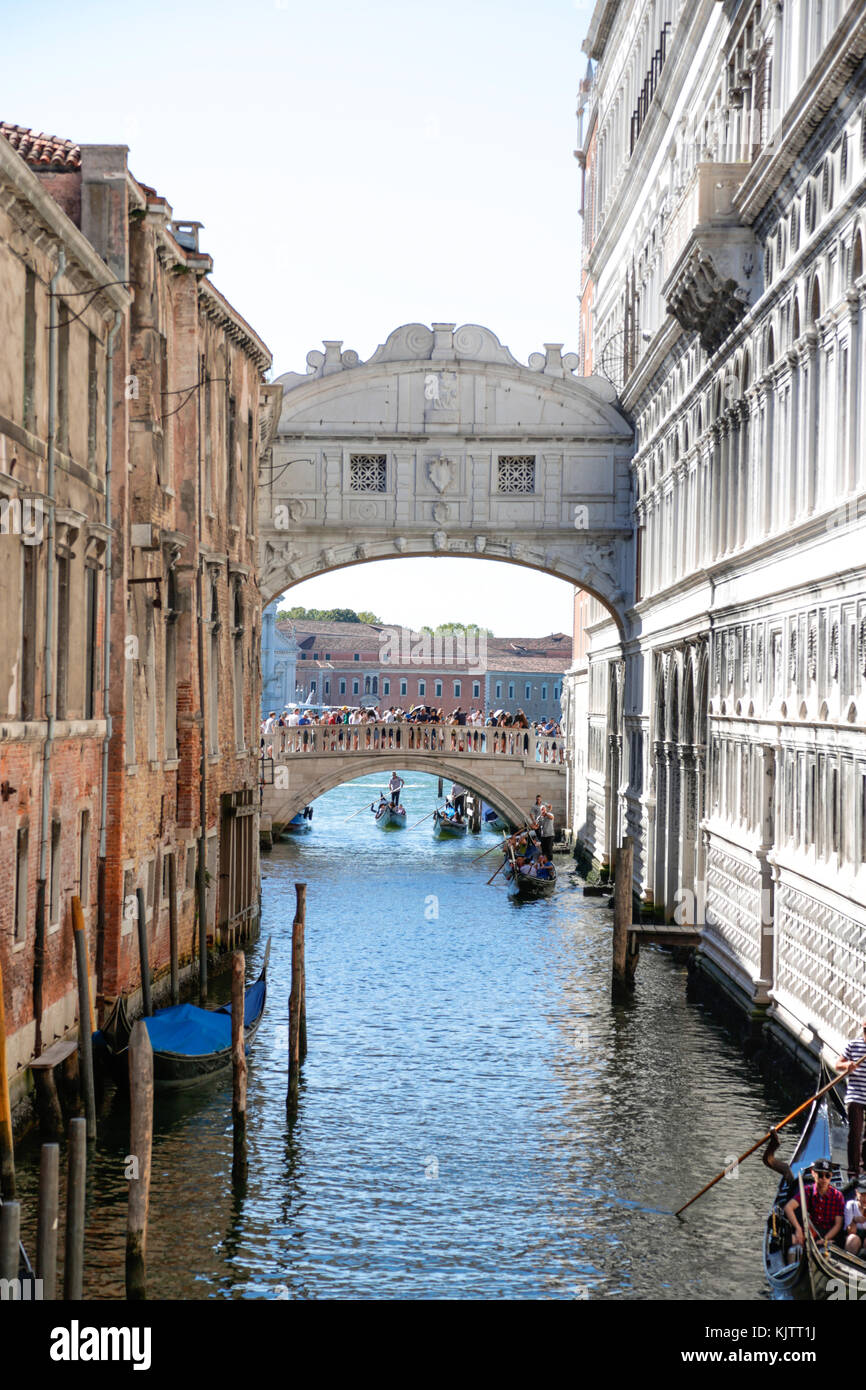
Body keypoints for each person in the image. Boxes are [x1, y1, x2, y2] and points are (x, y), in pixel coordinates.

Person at [783, 1160, 845, 1262]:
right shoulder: (807, 1191)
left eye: (827, 1176)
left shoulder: (837, 1196)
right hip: (809, 1232)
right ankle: (794, 1268)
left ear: (831, 1176)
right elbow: (788, 1207)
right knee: (792, 1244)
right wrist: (798, 1229)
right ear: (813, 1173)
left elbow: (838, 1224)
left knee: (827, 1252)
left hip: (828, 1234)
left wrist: (825, 1239)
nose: (824, 1179)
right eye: (820, 1175)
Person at [834, 1015, 866, 1177]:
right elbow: (838, 1064)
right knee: (855, 1132)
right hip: (855, 1095)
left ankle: (864, 1167)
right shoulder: (853, 1045)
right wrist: (847, 1065)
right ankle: (853, 1170)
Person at [844, 1177, 866, 1254]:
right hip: (855, 1235)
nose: (865, 1198)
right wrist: (855, 1220)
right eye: (862, 1194)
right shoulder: (851, 1205)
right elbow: (851, 1232)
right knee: (852, 1239)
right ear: (857, 1192)